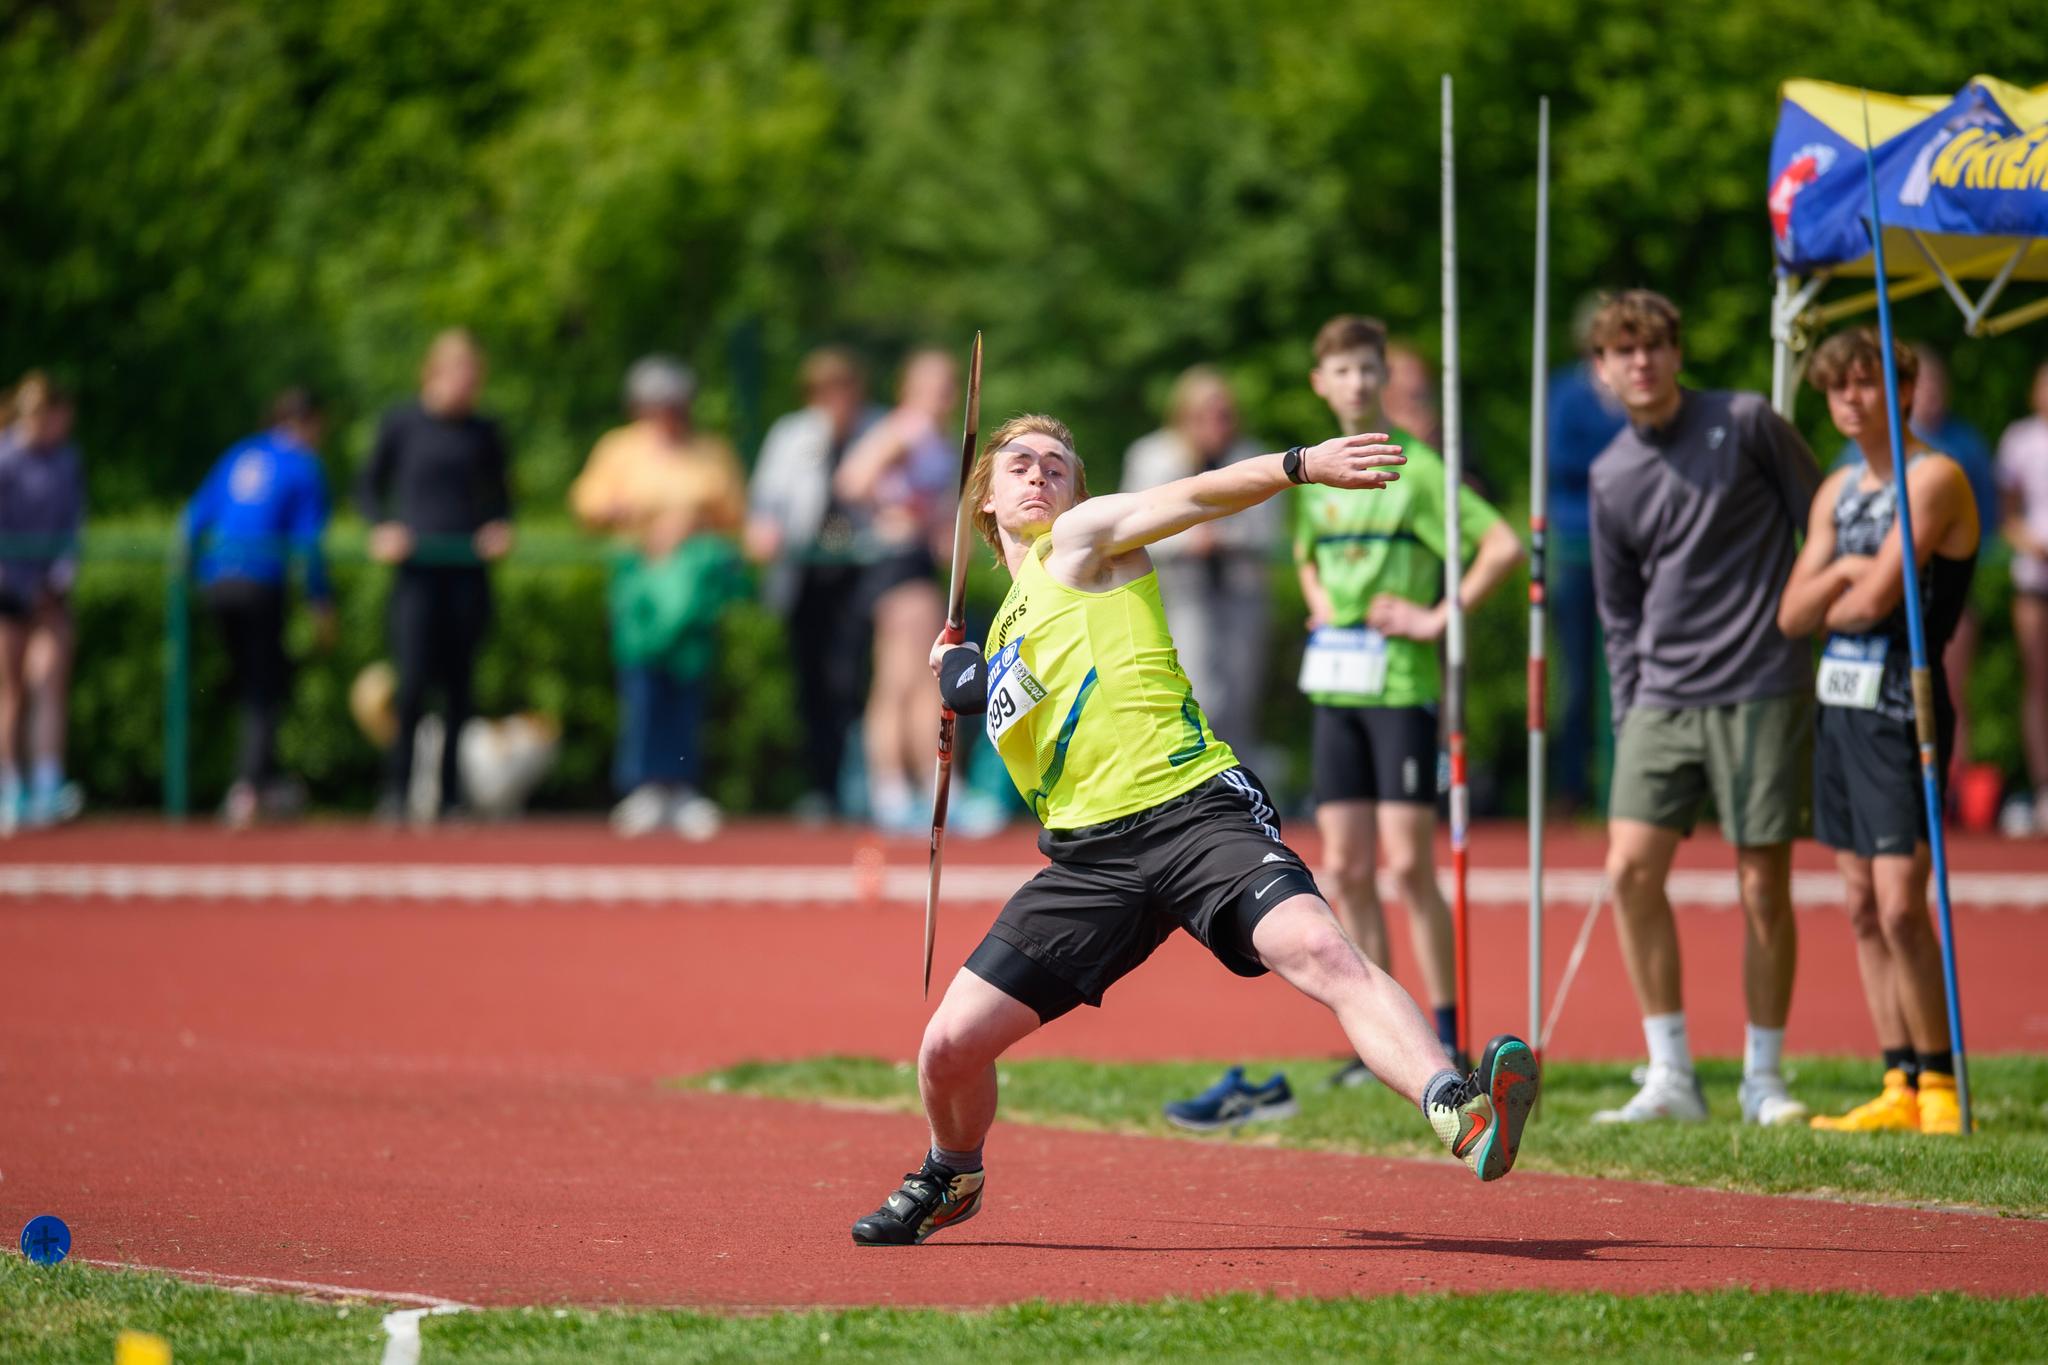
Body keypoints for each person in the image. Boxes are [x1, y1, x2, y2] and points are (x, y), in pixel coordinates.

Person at [847, 413, 1540, 1247]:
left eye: (1058, 466)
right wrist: (963, 675)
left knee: (1319, 948)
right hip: (1088, 859)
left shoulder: (1084, 538)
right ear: (984, 503)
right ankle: (951, 1171)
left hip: (1193, 809)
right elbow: (1019, 701)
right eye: (1020, 465)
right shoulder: (1002, 625)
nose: (1040, 476)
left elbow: (1196, 495)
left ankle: (1457, 1106)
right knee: (948, 1047)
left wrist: (1300, 464)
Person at [1191, 315, 1521, 1105]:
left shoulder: (1422, 471)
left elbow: (1501, 544)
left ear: (1385, 381)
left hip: (1401, 688)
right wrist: (1316, 600)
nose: (1357, 383)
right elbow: (1305, 552)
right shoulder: (1315, 478)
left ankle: (1447, 1033)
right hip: (1335, 690)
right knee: (1346, 868)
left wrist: (1438, 618)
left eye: (1370, 370)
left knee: (1408, 863)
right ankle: (1383, 1036)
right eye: (1343, 371)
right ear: (1322, 383)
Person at [1587, 289, 1821, 1127]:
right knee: (1629, 870)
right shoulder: (1609, 473)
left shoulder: (1749, 420)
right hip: (1660, 698)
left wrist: (1805, 620)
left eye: (1652, 345)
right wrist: (1627, 713)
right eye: (1622, 350)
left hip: (1763, 684)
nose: (1639, 361)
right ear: (1603, 369)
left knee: (1763, 882)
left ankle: (1765, 1077)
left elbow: (1820, 518)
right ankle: (1671, 1074)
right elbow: (1618, 612)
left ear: (1676, 352)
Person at [1780, 329, 1976, 1135]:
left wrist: (1844, 584)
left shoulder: (1933, 478)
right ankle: (1897, 1076)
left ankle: (1941, 1080)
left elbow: (1875, 603)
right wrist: (1841, 573)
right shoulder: (1836, 490)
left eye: (1868, 382)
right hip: (1841, 705)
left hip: (1904, 702)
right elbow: (1795, 614)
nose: (1854, 398)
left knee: (1901, 903)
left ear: (1902, 388)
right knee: (1860, 902)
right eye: (1839, 387)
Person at [570, 355, 746, 839]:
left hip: (692, 586)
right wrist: (629, 513)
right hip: (641, 585)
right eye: (656, 404)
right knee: (642, 681)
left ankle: (681, 784)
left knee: (687, 680)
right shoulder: (619, 449)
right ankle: (645, 784)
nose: (666, 412)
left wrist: (691, 520)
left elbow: (735, 512)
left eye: (674, 403)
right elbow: (587, 503)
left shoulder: (710, 451)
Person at [357, 329, 514, 823]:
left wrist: (499, 528)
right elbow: (366, 486)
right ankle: (398, 791)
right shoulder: (402, 424)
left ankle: (449, 797)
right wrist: (381, 528)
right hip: (417, 572)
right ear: (434, 374)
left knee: (460, 688)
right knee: (412, 683)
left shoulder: (485, 432)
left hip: (466, 573)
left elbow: (503, 498)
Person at [1832, 345, 1996, 791]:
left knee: (1946, 688)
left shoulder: (1964, 446)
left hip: (1940, 596)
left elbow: (1987, 521)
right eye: (1923, 386)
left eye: (1937, 386)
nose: (1930, 395)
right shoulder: (1857, 453)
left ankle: (1953, 784)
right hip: (1877, 612)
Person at [183, 388, 335, 827]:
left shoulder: (240, 453)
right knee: (263, 685)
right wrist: (320, 601)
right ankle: (250, 786)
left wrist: (195, 578)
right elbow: (308, 543)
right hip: (260, 581)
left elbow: (194, 519)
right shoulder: (304, 466)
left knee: (248, 678)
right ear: (307, 423)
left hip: (217, 580)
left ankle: (261, 778)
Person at [745, 348, 886, 818]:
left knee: (859, 679)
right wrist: (765, 527)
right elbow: (768, 498)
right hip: (807, 574)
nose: (837, 400)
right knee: (814, 682)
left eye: (844, 389)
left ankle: (863, 784)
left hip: (863, 572)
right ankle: (823, 785)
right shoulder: (793, 434)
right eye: (826, 391)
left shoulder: (878, 429)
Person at [1119, 366, 1277, 754]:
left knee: (1241, 695)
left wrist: (1225, 536)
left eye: (1223, 414)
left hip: (1241, 590)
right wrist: (1187, 540)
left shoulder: (1251, 456)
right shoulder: (1152, 456)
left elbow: (1270, 529)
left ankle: (1240, 786)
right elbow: (1126, 527)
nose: (1215, 424)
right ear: (1183, 415)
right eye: (1204, 414)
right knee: (1198, 690)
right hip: (1179, 592)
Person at [833, 349, 959, 834]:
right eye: (933, 384)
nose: (943, 394)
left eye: (948, 385)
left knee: (911, 677)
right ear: (910, 388)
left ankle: (904, 788)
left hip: (917, 564)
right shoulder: (907, 430)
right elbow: (853, 480)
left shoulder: (937, 439)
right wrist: (896, 512)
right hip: (896, 564)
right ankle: (897, 789)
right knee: (906, 679)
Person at [1546, 301, 1629, 814]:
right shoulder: (1567, 392)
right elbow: (1560, 459)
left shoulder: (1633, 393)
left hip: (1630, 546)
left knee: (1628, 673)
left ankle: (1624, 790)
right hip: (1577, 546)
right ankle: (1571, 789)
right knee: (1576, 678)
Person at [0, 372, 85, 833]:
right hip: (8, 588)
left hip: (50, 591)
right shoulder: (5, 459)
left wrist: (58, 578)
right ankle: (10, 787)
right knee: (10, 689)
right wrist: (17, 582)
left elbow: (74, 524)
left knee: (47, 680)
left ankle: (48, 782)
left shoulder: (67, 461)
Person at [1997, 359, 2048, 834]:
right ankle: (2041, 787)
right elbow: (2004, 513)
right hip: (2035, 578)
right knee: (2038, 680)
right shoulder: (2021, 439)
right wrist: (2030, 542)